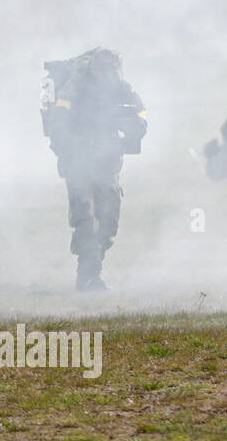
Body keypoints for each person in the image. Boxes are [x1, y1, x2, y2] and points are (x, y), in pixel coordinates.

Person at [41, 48, 147, 291]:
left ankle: (93, 268)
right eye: (104, 70)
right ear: (95, 69)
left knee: (108, 219)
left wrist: (136, 125)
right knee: (86, 217)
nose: (108, 75)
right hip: (78, 160)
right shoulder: (75, 87)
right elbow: (59, 124)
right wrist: (76, 150)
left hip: (107, 161)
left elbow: (140, 111)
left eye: (112, 70)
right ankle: (89, 276)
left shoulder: (121, 86)